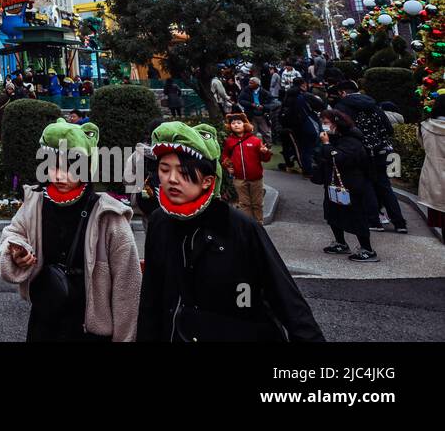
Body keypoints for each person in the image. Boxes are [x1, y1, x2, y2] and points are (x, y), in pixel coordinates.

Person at [137, 122, 323, 341]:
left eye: (183, 171)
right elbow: (151, 296)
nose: (172, 179)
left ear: (207, 181)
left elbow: (284, 296)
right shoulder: (159, 221)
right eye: (165, 169)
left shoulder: (240, 227)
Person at [0, 119, 142, 341]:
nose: (60, 176)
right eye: (53, 166)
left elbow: (128, 288)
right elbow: (12, 234)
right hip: (44, 322)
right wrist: (17, 251)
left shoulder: (108, 215)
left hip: (89, 330)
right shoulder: (36, 202)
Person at [333, 80, 408, 234]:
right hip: (381, 150)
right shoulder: (373, 104)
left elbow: (341, 130)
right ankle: (400, 223)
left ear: (342, 92)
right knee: (385, 186)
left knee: (367, 186)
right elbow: (388, 128)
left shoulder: (343, 107)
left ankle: (374, 221)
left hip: (361, 151)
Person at [313, 109, 379, 262]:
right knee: (332, 212)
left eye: (326, 123)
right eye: (322, 123)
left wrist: (327, 145)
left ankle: (367, 249)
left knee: (356, 216)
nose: (324, 126)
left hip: (352, 184)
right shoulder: (335, 137)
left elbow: (340, 158)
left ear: (337, 123)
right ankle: (340, 243)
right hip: (334, 183)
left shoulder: (352, 140)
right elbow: (321, 155)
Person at [221, 111, 271, 223]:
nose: (236, 125)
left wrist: (265, 152)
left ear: (245, 124)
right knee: (244, 204)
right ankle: (248, 226)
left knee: (257, 204)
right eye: (233, 123)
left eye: (239, 122)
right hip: (239, 179)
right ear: (230, 126)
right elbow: (225, 155)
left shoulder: (255, 141)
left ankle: (259, 224)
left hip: (256, 179)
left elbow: (266, 159)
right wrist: (227, 165)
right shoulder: (229, 142)